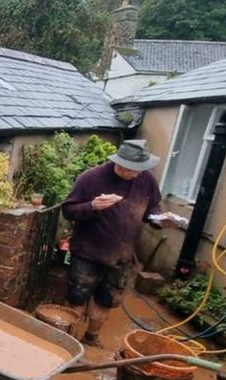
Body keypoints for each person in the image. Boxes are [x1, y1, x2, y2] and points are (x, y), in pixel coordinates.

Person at [62, 139, 167, 346]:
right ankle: (68, 340)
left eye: (140, 169)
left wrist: (160, 220)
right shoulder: (91, 178)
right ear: (118, 162)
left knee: (107, 300)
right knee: (76, 297)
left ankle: (91, 337)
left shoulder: (147, 180)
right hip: (88, 252)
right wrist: (92, 206)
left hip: (122, 256)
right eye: (130, 170)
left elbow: (153, 208)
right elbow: (68, 210)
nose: (135, 174)